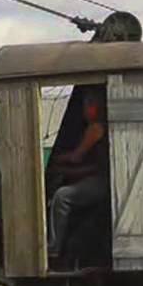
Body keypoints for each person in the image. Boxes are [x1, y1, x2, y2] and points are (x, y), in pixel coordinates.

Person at [47, 91, 109, 261]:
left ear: (94, 108)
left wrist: (56, 160)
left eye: (87, 106)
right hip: (98, 178)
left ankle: (53, 248)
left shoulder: (96, 127)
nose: (85, 111)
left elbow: (77, 156)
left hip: (103, 183)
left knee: (62, 196)